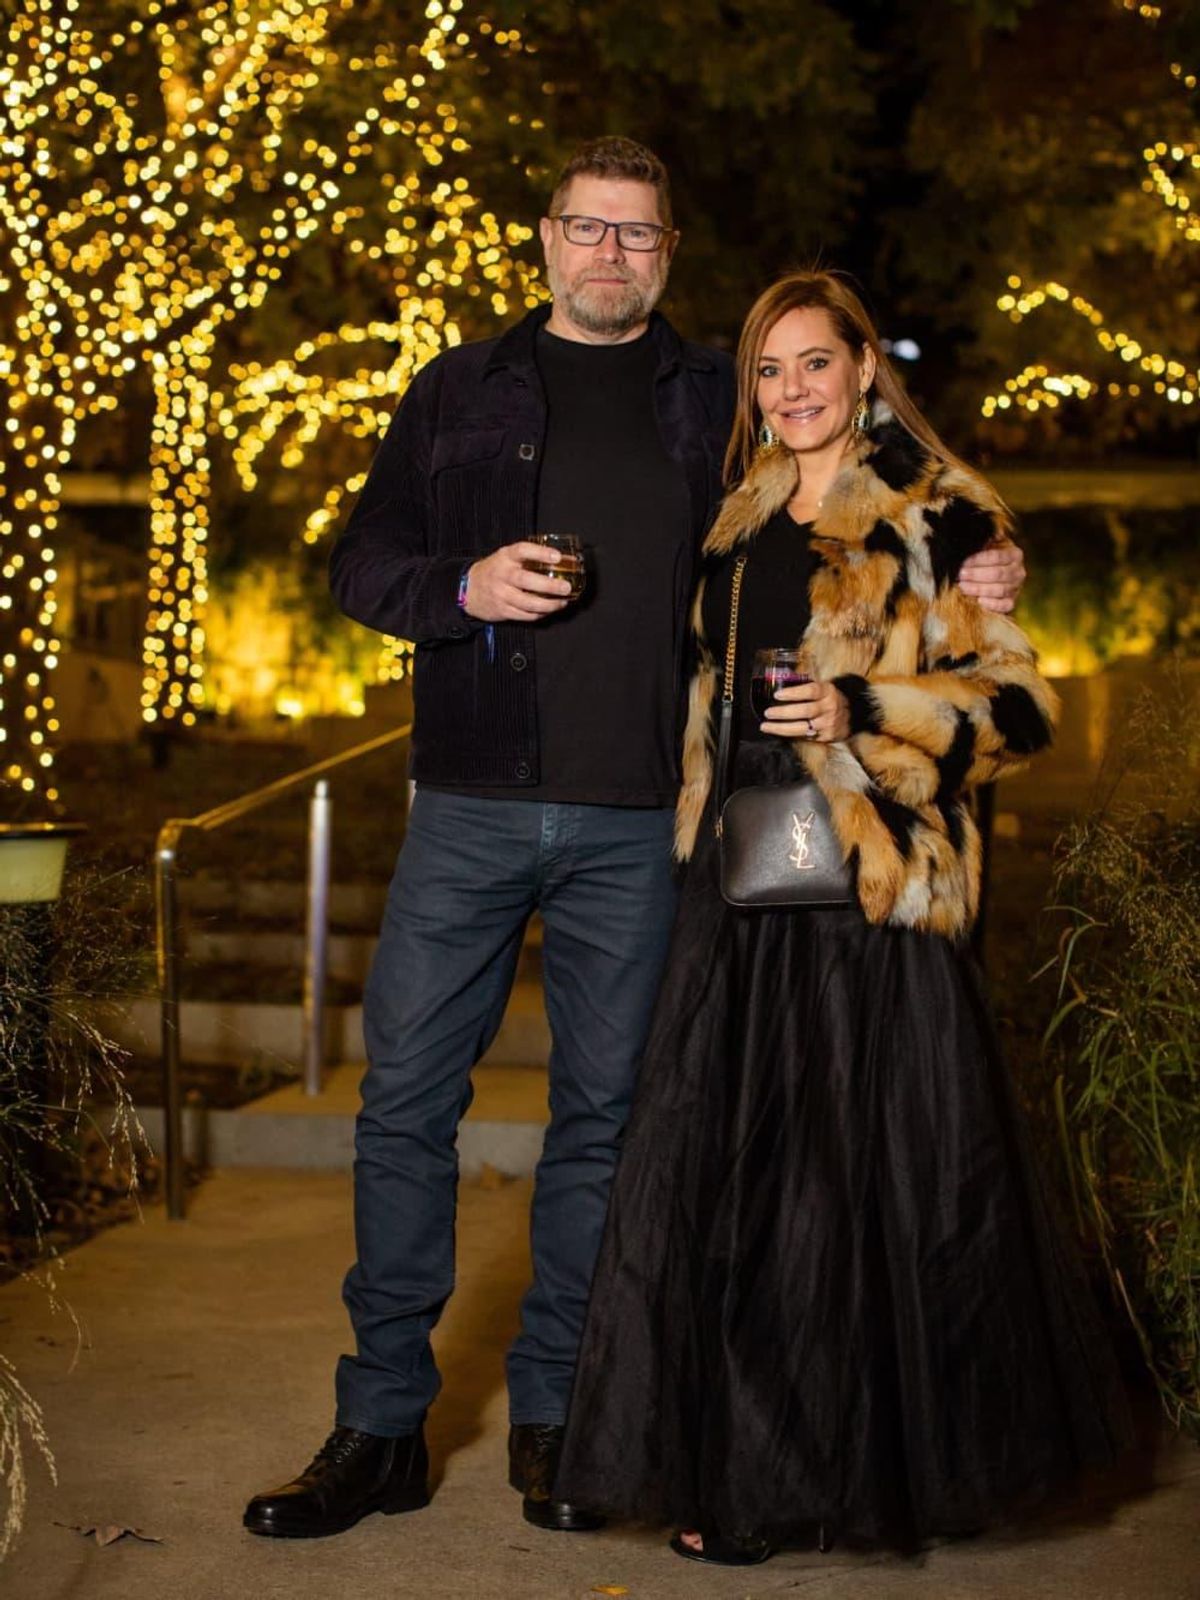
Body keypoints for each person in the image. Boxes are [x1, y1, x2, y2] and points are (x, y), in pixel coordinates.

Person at [242, 145, 1025, 1543]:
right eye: (587, 229)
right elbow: (359, 560)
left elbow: (856, 462)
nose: (611, 253)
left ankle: (559, 1414)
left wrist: (978, 548)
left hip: (644, 832)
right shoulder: (454, 390)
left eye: (639, 235)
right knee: (401, 1105)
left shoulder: (709, 411)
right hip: (473, 798)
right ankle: (377, 1429)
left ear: (666, 253)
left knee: (606, 1128)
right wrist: (459, 587)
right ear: (544, 240)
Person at [555, 270, 1131, 1566]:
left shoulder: (944, 514)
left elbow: (1018, 710)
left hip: (864, 884)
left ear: (867, 367)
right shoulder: (738, 511)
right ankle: (744, 1469)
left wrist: (863, 714)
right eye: (769, 370)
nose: (792, 391)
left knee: (846, 1192)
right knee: (736, 1179)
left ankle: (822, 1477)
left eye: (817, 364)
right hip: (738, 876)